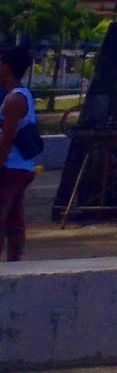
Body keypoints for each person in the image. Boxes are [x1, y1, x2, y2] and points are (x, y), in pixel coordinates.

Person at [0, 47, 39, 262]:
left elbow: (7, 139)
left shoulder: (14, 100)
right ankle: (15, 264)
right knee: (14, 217)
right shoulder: (20, 95)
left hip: (10, 166)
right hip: (21, 166)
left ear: (6, 67)